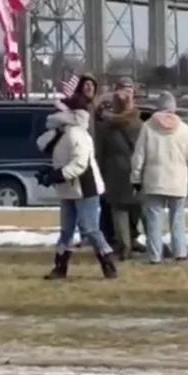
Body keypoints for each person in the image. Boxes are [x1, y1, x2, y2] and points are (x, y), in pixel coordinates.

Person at [35, 90, 118, 280]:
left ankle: (108, 262)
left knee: (90, 229)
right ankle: (60, 267)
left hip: (85, 187)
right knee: (66, 230)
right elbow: (44, 146)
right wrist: (49, 172)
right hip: (68, 188)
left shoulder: (76, 134)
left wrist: (56, 175)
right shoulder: (63, 132)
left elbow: (79, 164)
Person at [130, 91, 188, 264]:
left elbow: (138, 156)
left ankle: (155, 256)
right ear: (174, 108)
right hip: (178, 182)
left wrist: (135, 178)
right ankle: (180, 253)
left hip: (154, 180)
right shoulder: (184, 129)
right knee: (177, 218)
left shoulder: (148, 127)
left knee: (154, 220)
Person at [93, 79, 144, 260]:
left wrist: (100, 173)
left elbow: (100, 152)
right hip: (136, 170)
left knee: (119, 210)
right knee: (135, 207)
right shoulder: (139, 125)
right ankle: (134, 238)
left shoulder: (105, 126)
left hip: (114, 171)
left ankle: (124, 247)